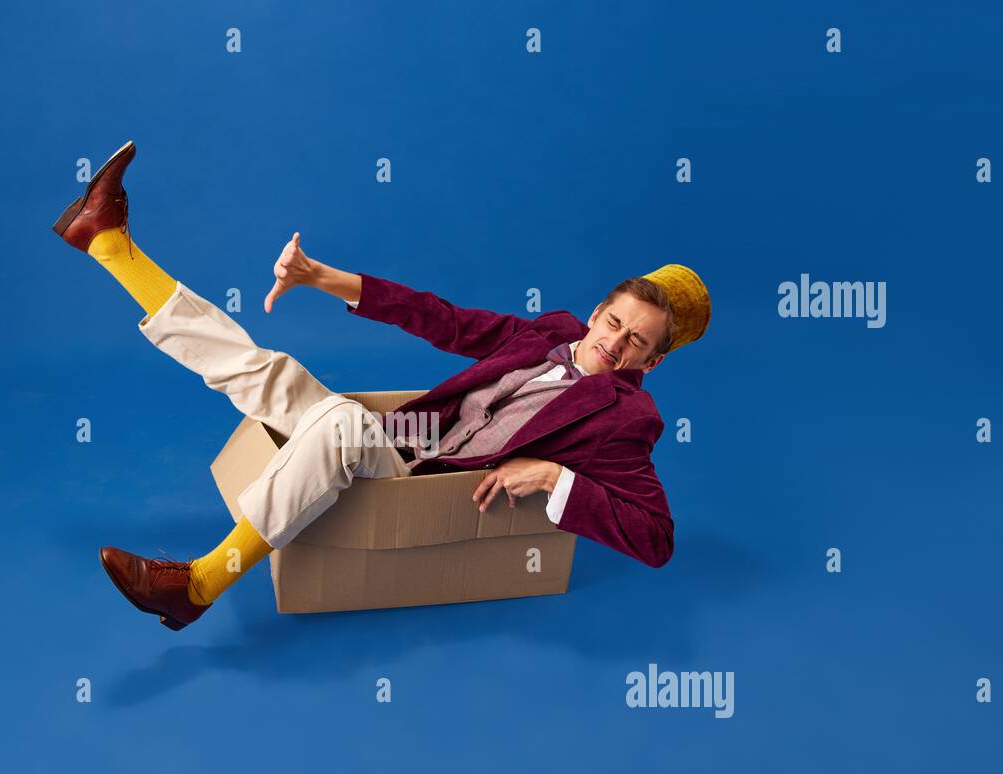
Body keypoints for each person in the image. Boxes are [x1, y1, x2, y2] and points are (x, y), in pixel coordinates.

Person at [52, 142, 711, 631]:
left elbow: (656, 538)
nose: (614, 342)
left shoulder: (627, 418)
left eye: (635, 343)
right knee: (268, 372)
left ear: (649, 363)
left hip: (423, 483)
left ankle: (199, 584)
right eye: (614, 321)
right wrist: (320, 277)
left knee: (334, 425)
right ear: (596, 311)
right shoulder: (549, 333)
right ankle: (110, 244)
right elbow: (445, 320)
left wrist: (548, 477)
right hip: (401, 441)